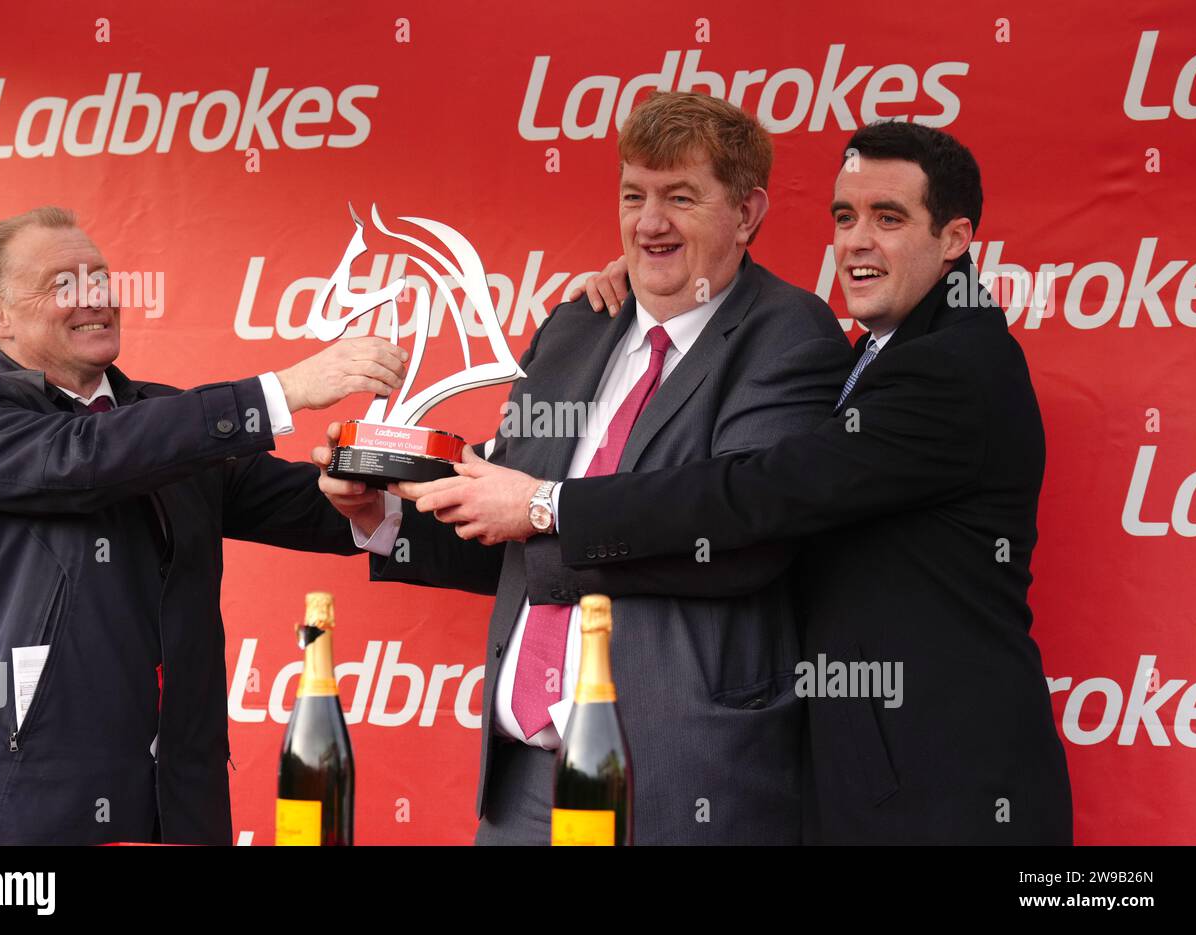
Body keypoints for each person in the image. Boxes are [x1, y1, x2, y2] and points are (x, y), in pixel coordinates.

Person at [416, 121, 1073, 844]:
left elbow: (759, 493)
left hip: (943, 788)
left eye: (889, 218)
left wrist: (545, 503)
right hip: (860, 775)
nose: (857, 240)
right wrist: (650, 279)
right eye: (845, 216)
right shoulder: (879, 353)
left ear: (955, 239)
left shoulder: (953, 368)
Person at [315, 92, 853, 844]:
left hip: (679, 779)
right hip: (524, 781)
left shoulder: (790, 335)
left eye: (680, 197)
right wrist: (382, 516)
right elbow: (512, 536)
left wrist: (543, 504)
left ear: (748, 213)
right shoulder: (574, 326)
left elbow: (740, 533)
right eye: (634, 194)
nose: (649, 221)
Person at [0, 206, 408, 844]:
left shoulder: (166, 419)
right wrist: (279, 392)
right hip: (34, 804)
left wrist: (378, 500)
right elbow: (86, 458)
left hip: (179, 801)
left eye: (101, 278)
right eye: (65, 284)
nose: (95, 297)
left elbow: (306, 504)